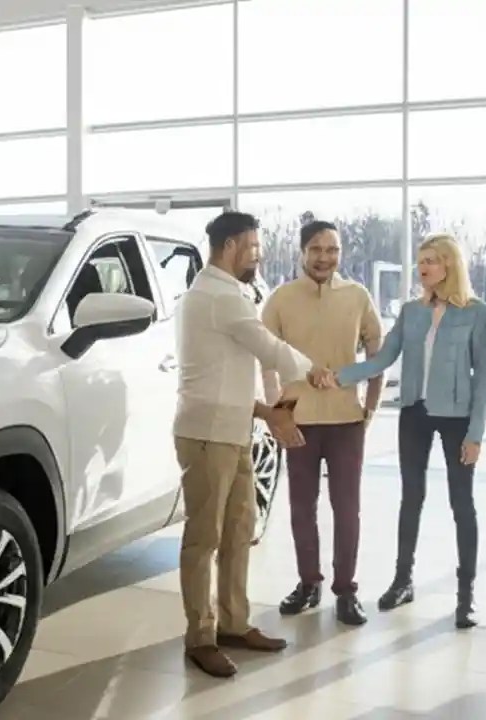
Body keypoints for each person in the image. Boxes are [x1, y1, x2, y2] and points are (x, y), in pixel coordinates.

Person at [310, 233, 486, 629]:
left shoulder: (477, 313)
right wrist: (339, 377)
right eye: (420, 260)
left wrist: (475, 434)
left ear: (449, 264)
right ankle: (402, 580)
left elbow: (483, 381)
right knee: (411, 498)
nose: (423, 267)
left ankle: (466, 596)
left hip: (457, 417)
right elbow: (383, 359)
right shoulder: (412, 312)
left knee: (462, 505)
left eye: (430, 260)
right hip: (415, 413)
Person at [173, 210, 313, 677]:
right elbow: (268, 347)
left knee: (238, 531)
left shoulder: (232, 293)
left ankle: (234, 623)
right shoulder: (216, 295)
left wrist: (271, 411)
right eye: (253, 247)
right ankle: (201, 636)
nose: (258, 255)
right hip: (207, 435)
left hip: (233, 430)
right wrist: (313, 371)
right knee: (204, 538)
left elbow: (241, 372)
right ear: (231, 245)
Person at [260, 220, 382, 627]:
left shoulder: (357, 296)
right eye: (316, 248)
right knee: (301, 508)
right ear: (302, 252)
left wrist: (371, 407)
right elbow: (266, 358)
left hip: (347, 421)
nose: (325, 257)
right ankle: (308, 583)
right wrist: (278, 412)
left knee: (347, 509)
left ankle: (346, 590)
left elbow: (377, 353)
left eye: (332, 249)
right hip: (300, 422)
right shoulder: (280, 299)